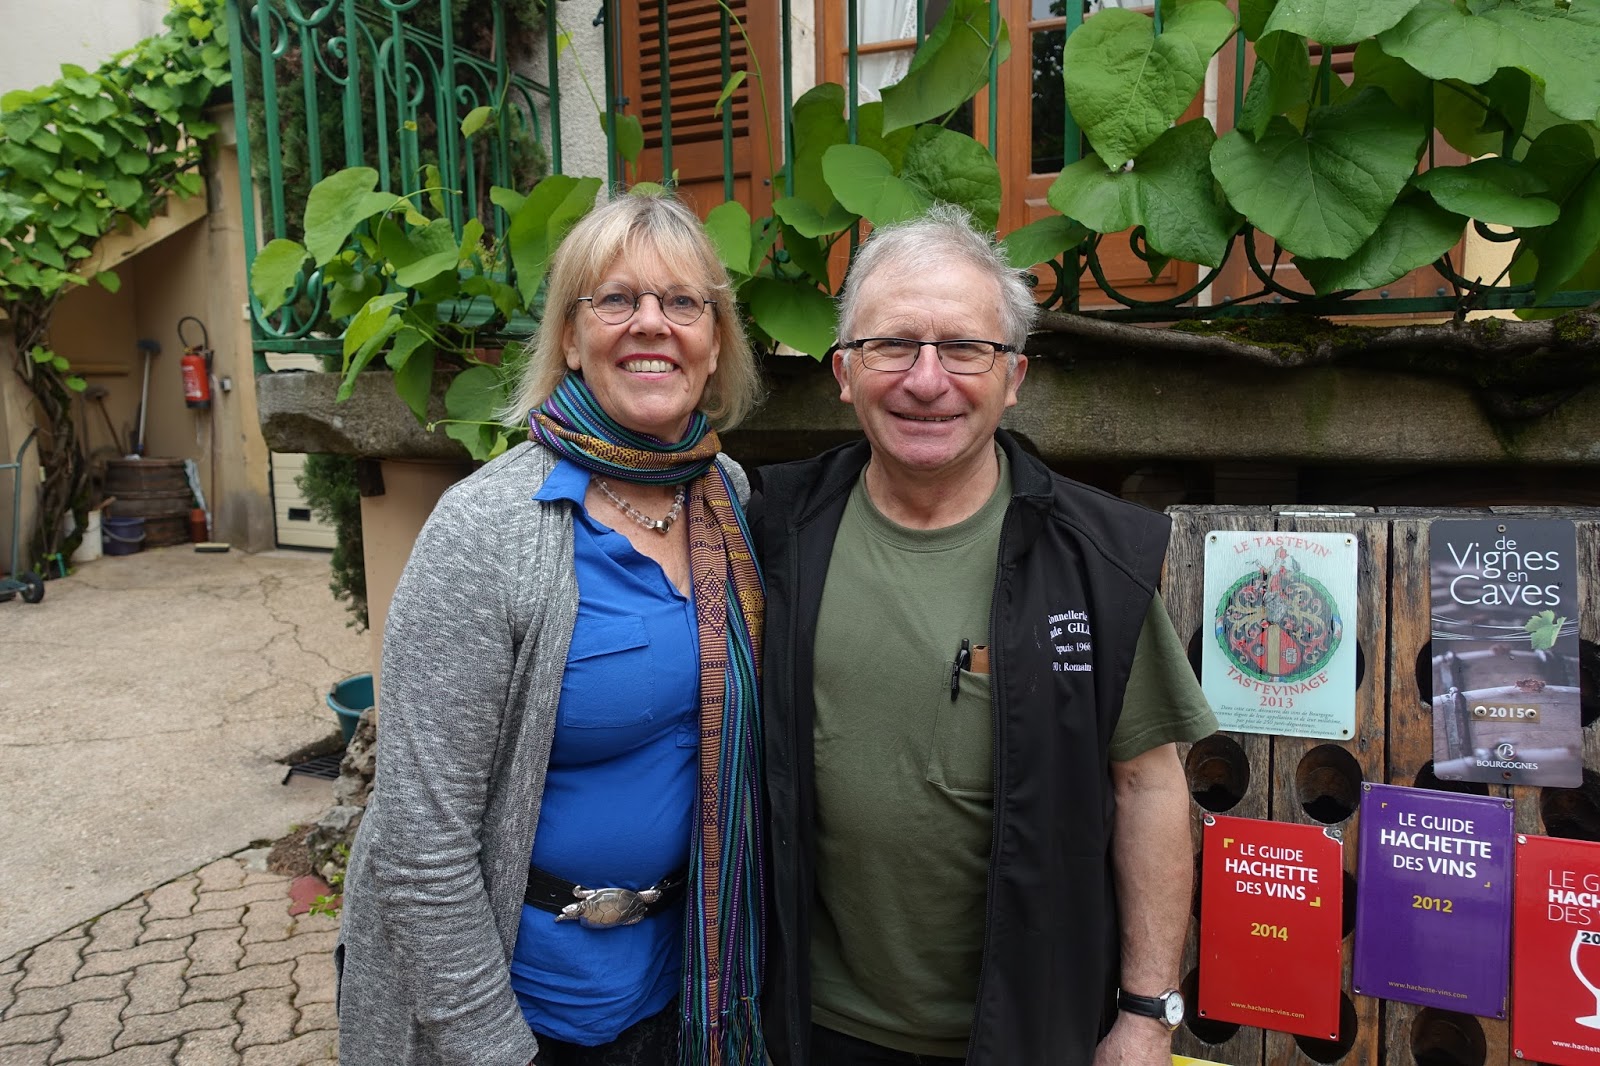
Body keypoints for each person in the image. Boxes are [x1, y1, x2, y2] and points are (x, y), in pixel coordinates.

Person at [752, 204, 1218, 1066]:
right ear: (843, 373)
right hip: (809, 1027)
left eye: (965, 348)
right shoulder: (774, 529)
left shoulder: (1093, 559)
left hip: (1027, 1028)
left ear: (1014, 378)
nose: (927, 381)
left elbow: (1148, 788)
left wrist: (1147, 1014)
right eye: (892, 345)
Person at [335, 192, 768, 1066]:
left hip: (686, 986)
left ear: (715, 342)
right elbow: (422, 843)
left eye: (683, 303)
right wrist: (492, 1048)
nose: (652, 324)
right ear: (570, 339)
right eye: (615, 300)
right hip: (527, 1006)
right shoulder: (487, 529)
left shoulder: (728, 499)